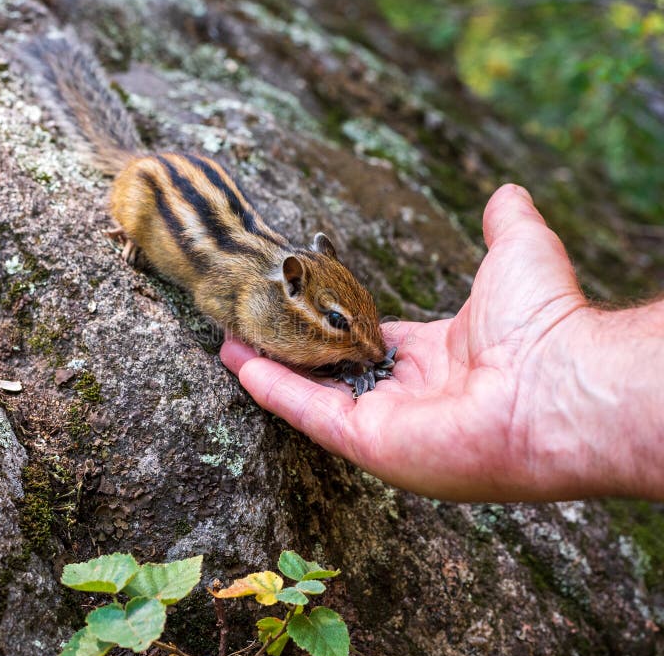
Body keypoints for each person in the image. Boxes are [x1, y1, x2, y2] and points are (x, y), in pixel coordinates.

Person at [221, 184, 664, 502]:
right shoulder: (260, 296)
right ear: (293, 282)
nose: (377, 354)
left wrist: (545, 363)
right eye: (339, 323)